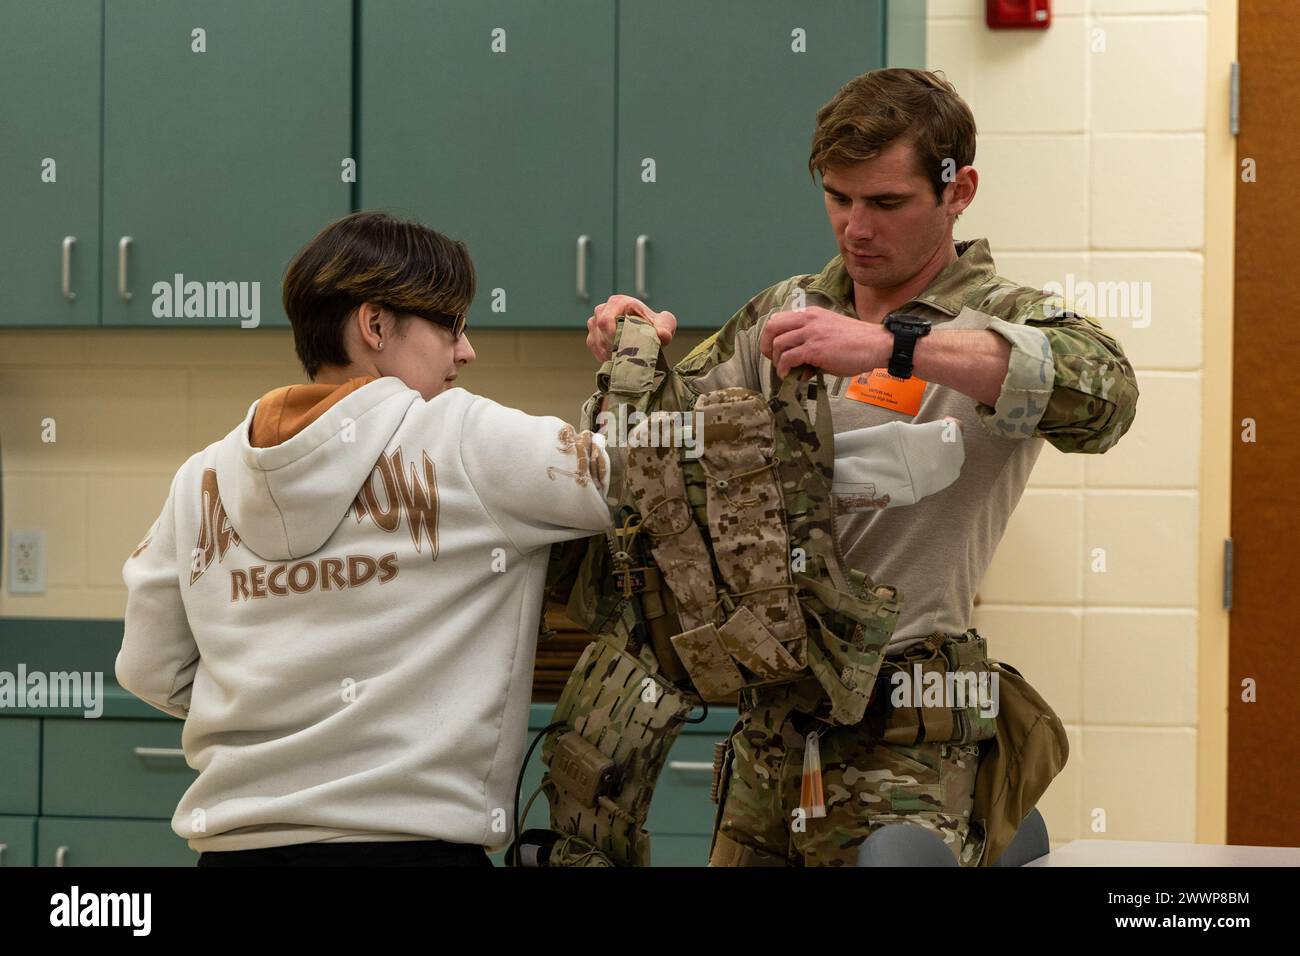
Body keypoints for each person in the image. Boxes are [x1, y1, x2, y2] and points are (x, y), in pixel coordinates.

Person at [577, 68, 1139, 866]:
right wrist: (633, 347)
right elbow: (666, 447)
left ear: (958, 189)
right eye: (839, 199)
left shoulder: (1002, 318)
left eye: (885, 203)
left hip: (907, 736)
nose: (855, 228)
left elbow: (1107, 395)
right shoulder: (789, 310)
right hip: (772, 731)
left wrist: (895, 344)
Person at [115, 211, 614, 867]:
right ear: (374, 325)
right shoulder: (462, 437)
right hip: (413, 851)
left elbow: (148, 669)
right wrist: (629, 355)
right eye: (451, 325)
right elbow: (639, 476)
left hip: (234, 851)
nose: (467, 351)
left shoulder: (200, 480)